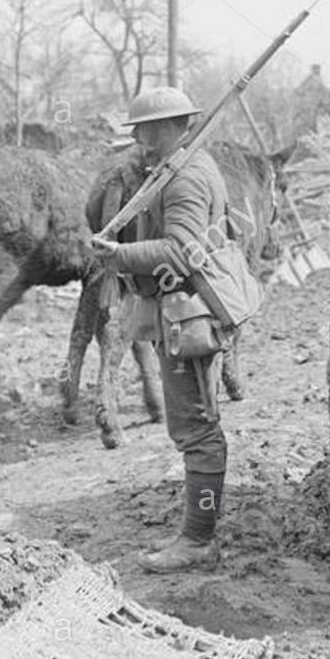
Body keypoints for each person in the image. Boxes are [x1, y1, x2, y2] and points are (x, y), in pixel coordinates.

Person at [98, 86, 230, 572]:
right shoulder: (184, 168)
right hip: (180, 312)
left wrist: (119, 256)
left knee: (197, 430)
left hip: (186, 318)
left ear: (168, 127)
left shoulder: (185, 178)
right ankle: (199, 530)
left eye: (144, 129)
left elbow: (182, 250)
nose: (138, 138)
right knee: (195, 427)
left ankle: (198, 540)